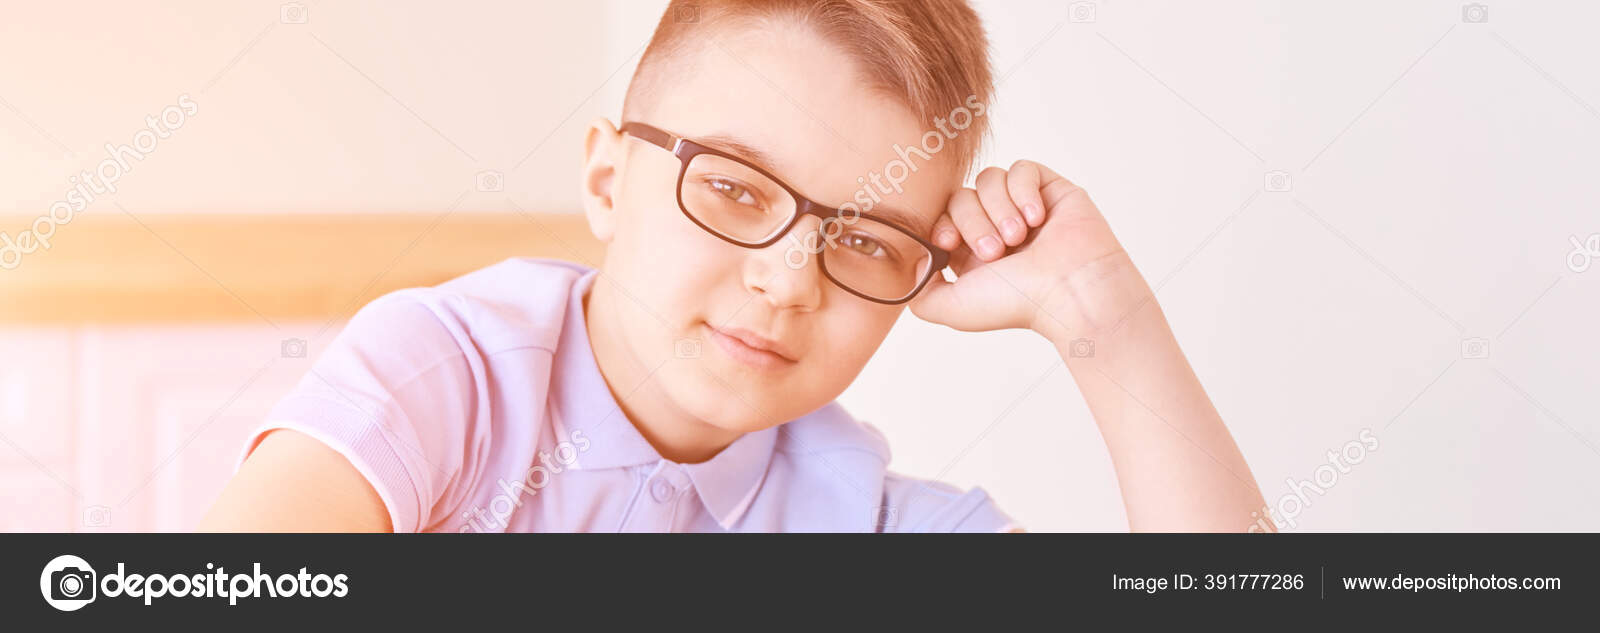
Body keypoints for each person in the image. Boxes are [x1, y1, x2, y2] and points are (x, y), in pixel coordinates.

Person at [200, 0, 1268, 532]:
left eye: (864, 238)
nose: (787, 280)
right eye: (732, 188)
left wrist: (1101, 313)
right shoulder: (448, 379)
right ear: (609, 182)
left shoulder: (870, 521)